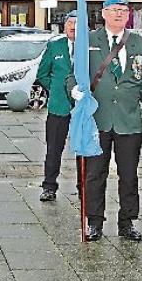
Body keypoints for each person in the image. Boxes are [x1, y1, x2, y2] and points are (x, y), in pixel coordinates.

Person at [82, 0, 142, 242]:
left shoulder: (140, 43)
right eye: (114, 10)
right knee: (95, 173)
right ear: (103, 13)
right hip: (97, 119)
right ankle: (94, 221)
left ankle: (127, 222)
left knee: (129, 174)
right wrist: (75, 90)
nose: (119, 14)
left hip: (129, 120)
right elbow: (76, 74)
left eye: (124, 11)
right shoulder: (89, 40)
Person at [36, 10, 79, 202]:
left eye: (77, 24)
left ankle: (84, 186)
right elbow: (42, 74)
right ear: (64, 26)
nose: (73, 27)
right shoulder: (55, 46)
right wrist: (55, 89)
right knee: (54, 148)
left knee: (83, 148)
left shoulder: (90, 47)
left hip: (82, 108)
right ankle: (49, 186)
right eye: (70, 23)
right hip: (58, 106)